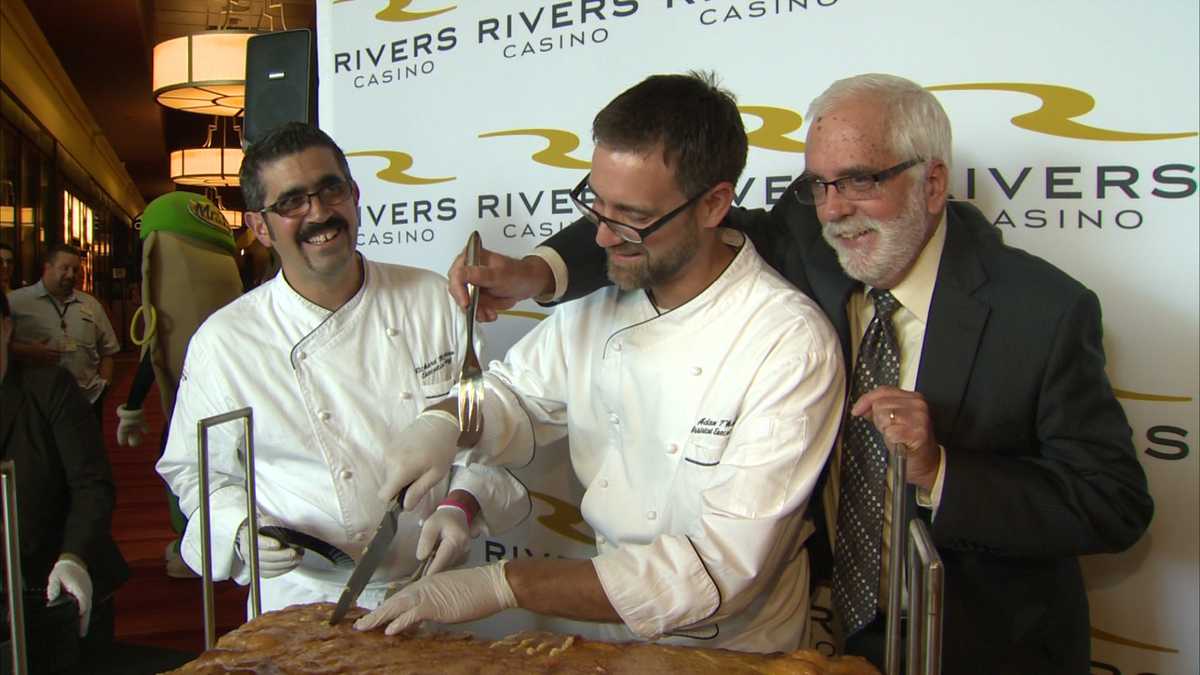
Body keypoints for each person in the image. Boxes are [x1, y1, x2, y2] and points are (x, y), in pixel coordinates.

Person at [441, 74, 1154, 673]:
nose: (836, 209)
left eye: (863, 181)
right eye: (819, 184)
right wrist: (541, 270)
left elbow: (1114, 502)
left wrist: (941, 471)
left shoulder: (1043, 310)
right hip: (829, 636)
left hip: (982, 643)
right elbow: (658, 225)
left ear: (933, 182)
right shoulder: (807, 230)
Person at [356, 72, 845, 654]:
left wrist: (503, 582)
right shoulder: (600, 302)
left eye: (631, 218)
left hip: (735, 645)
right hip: (602, 612)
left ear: (715, 204)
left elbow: (719, 569)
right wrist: (443, 420)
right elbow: (509, 395)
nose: (604, 240)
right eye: (596, 204)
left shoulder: (787, 342)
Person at [155, 123, 529, 614]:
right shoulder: (226, 342)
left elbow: (481, 422)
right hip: (302, 599)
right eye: (291, 202)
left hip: (432, 587)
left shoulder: (431, 299)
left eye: (331, 189)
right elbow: (195, 472)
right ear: (261, 226)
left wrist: (463, 504)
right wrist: (240, 529)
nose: (319, 212)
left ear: (354, 195)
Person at [1, 288, 130, 670]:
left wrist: (73, 556)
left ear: (6, 328)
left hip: (56, 586)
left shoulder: (48, 388)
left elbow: (91, 483)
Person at [7, 243, 120, 423]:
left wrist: (104, 386)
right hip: (35, 403)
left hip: (86, 400)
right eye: (64, 268)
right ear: (47, 267)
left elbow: (108, 350)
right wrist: (27, 351)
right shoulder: (16, 302)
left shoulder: (91, 304)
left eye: (75, 270)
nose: (71, 275)